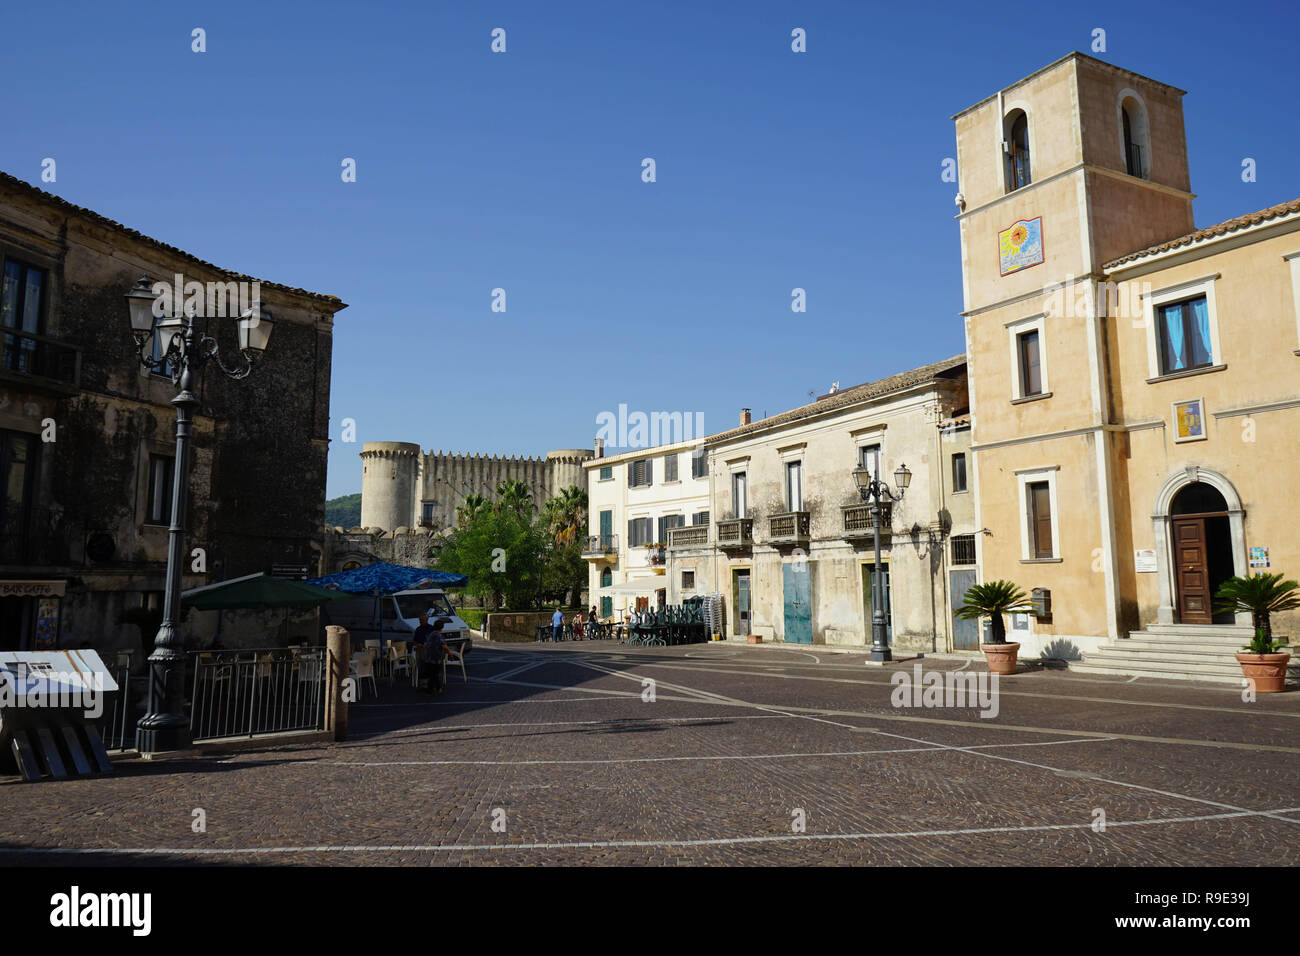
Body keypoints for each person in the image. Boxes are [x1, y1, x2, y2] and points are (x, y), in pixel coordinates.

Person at [412, 612, 445, 693]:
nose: (420, 621)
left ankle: (432, 685)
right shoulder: (418, 629)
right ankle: (425, 684)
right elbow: (414, 641)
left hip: (431, 653)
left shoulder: (431, 629)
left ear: (426, 620)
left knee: (432, 669)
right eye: (420, 620)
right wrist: (419, 644)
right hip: (421, 651)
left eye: (422, 620)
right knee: (423, 664)